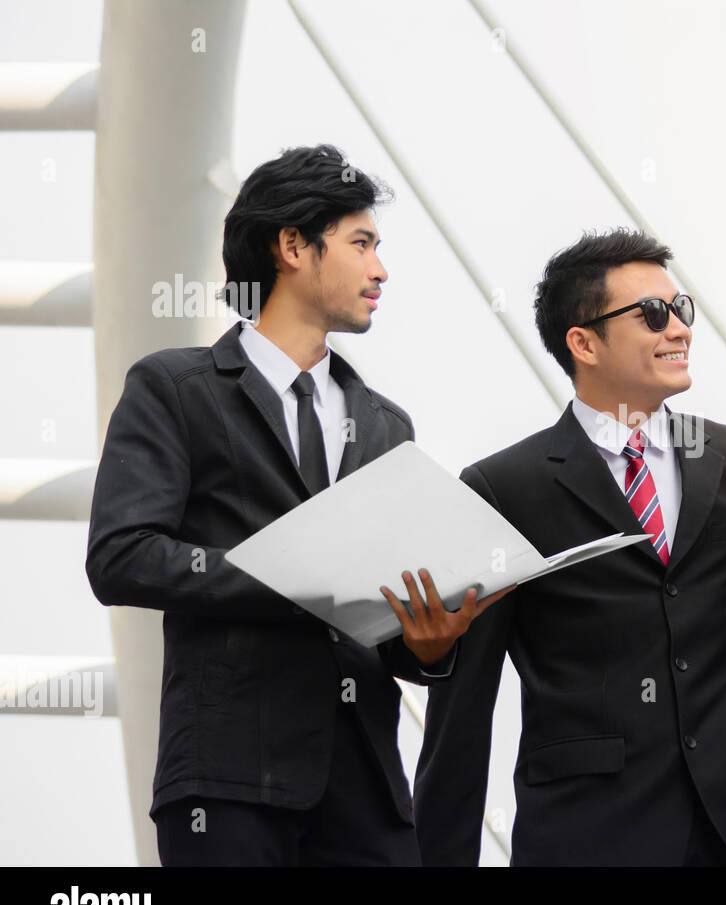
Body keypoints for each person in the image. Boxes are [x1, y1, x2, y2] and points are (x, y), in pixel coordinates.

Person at [85, 144, 503, 865]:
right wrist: (299, 579)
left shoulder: (385, 422)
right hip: (229, 781)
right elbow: (121, 556)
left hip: (368, 792)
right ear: (291, 246)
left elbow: (378, 610)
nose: (380, 270)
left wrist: (428, 645)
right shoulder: (175, 388)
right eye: (362, 243)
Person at [405, 228, 726, 865]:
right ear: (583, 342)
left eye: (682, 310)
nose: (678, 329)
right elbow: (464, 708)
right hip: (587, 833)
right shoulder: (503, 486)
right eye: (652, 314)